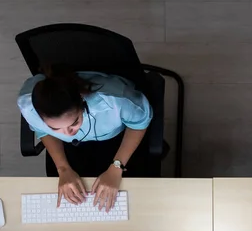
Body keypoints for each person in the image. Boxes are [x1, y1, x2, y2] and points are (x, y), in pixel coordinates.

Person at [17, 66, 153, 211]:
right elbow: (41, 130)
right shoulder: (28, 106)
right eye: (55, 128)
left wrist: (116, 167)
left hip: (116, 137)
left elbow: (139, 123)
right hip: (70, 147)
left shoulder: (117, 99)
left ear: (82, 102)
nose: (68, 133)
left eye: (74, 123)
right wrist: (63, 169)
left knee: (132, 194)